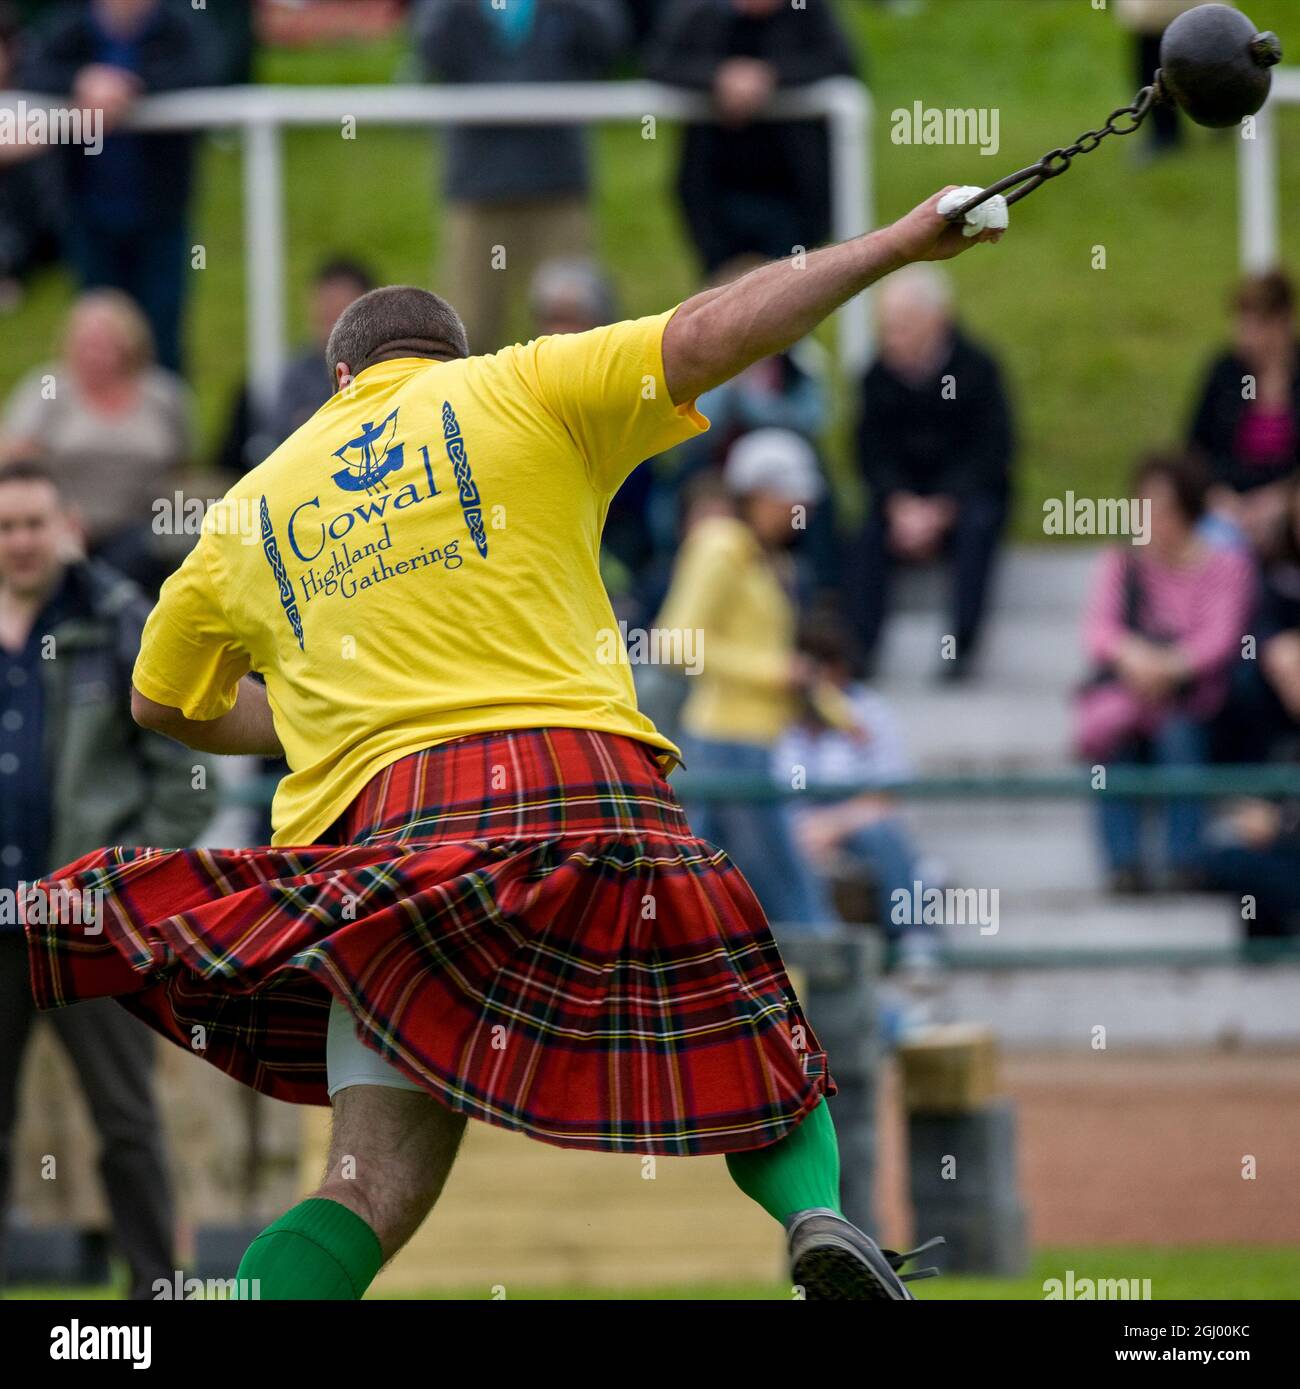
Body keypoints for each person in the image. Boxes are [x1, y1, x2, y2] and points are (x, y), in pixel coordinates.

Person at [26, 187, 1003, 1301]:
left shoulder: (248, 509)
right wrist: (902, 240)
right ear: (451, 355)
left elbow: (162, 702)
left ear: (341, 380)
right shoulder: (522, 381)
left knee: (368, 1182)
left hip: (392, 847)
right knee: (759, 1054)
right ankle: (819, 1219)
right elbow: (716, 329)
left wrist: (312, 723)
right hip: (592, 801)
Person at [0, 459, 212, 1299]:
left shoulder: (120, 620)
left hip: (87, 922)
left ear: (67, 528)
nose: (19, 541)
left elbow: (183, 761)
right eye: (5, 526)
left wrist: (126, 877)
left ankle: (155, 1292)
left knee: (125, 1122)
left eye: (33, 524)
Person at [657, 428, 836, 937]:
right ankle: (850, 1006)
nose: (799, 508)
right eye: (789, 496)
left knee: (708, 897)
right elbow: (675, 641)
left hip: (747, 745)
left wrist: (838, 715)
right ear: (756, 493)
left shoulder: (766, 557)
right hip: (728, 744)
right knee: (791, 896)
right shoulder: (721, 545)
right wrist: (775, 673)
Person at [1075, 454, 1255, 894]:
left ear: (1189, 513)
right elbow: (1099, 630)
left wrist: (1171, 666)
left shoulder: (1226, 565)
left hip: (1196, 699)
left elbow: (1221, 637)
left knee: (1178, 732)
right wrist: (1134, 657)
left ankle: (1184, 861)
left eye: (1162, 510)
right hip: (1132, 694)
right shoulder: (1124, 562)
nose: (1150, 521)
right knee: (1113, 744)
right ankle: (1123, 865)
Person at [412, 0, 628, 352]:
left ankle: (563, 408)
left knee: (572, 327)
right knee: (467, 328)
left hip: (557, 183)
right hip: (478, 186)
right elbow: (430, 48)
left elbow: (608, 41)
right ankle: (468, 409)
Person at [843, 263, 1015, 682]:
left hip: (964, 501)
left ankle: (962, 644)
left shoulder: (978, 370)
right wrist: (899, 504)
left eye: (902, 326)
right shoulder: (876, 377)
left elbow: (992, 452)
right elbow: (870, 454)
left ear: (936, 320)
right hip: (901, 503)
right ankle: (860, 650)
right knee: (864, 537)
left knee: (979, 526)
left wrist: (943, 507)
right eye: (887, 327)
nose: (891, 338)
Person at [19, 0, 209, 372]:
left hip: (160, 214)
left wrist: (127, 86)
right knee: (96, 332)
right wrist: (82, 82)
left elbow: (204, 71)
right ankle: (96, 424)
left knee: (162, 333)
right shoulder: (70, 29)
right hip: (89, 211)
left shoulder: (177, 28)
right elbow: (35, 73)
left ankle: (162, 424)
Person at [772, 616, 941, 970]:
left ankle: (915, 939)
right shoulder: (772, 714)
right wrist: (803, 829)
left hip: (855, 824)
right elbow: (772, 795)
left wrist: (832, 826)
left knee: (884, 834)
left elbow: (886, 795)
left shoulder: (870, 711)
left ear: (838, 670)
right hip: (791, 825)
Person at [0, 289, 193, 593]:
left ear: (130, 345)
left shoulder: (163, 395)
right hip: (57, 526)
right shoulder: (46, 390)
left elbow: (182, 468)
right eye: (86, 344)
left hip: (139, 526)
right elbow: (14, 462)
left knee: (153, 548)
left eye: (105, 344)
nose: (94, 354)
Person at [646, 0, 857, 274]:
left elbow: (842, 64)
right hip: (716, 192)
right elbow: (658, 65)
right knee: (723, 297)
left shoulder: (807, 11)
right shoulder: (699, 12)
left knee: (787, 291)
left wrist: (770, 76)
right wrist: (718, 77)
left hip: (794, 194)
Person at [219, 257, 377, 476]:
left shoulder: (381, 374)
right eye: (324, 308)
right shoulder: (276, 382)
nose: (328, 314)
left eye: (339, 310)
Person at [1189, 270, 1300, 558]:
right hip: (1229, 504)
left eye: (1257, 326)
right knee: (1218, 546)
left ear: (1281, 323)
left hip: (1288, 504)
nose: (1247, 337)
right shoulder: (1227, 374)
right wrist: (1220, 497)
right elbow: (1195, 450)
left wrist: (1283, 499)